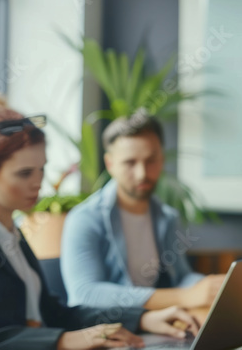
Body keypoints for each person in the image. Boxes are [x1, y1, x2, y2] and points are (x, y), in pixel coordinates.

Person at [0, 94, 198, 350]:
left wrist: (144, 318)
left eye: (41, 169)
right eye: (24, 173)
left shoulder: (8, 232)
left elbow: (55, 315)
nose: (37, 183)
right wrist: (60, 341)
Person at [61, 112, 225, 310]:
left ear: (162, 160)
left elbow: (181, 277)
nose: (142, 174)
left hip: (159, 324)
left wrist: (212, 287)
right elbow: (85, 293)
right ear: (110, 164)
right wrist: (183, 297)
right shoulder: (85, 219)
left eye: (151, 161)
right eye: (130, 163)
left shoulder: (166, 217)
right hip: (114, 332)